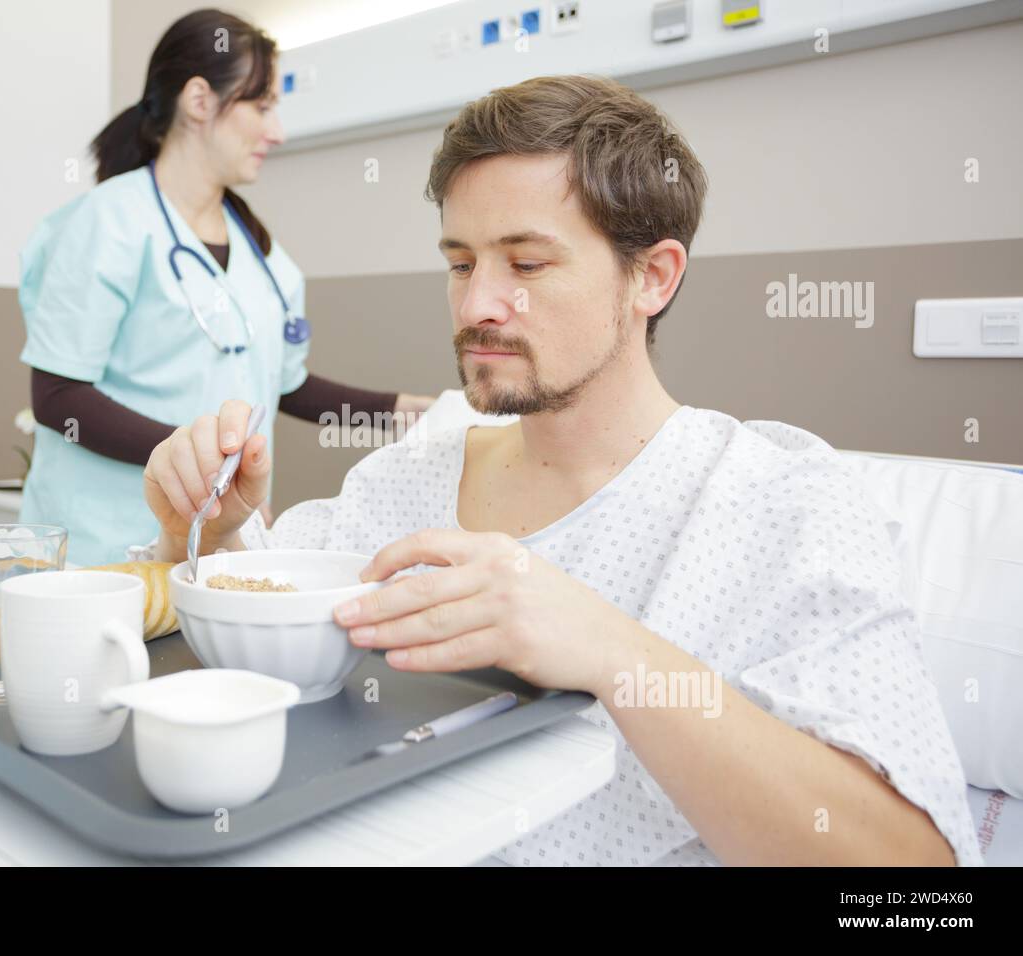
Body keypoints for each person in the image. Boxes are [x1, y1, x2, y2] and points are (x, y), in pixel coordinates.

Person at [135, 74, 981, 866]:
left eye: (526, 265)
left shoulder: (780, 504)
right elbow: (271, 641)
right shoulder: (404, 483)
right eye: (461, 263)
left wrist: (611, 651)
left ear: (652, 276)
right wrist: (209, 522)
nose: (475, 307)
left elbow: (917, 883)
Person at [16, 8, 433, 565]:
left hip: (218, 546)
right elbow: (58, 398)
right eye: (261, 107)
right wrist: (205, 461)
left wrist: (405, 411)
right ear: (199, 101)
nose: (277, 131)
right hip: (102, 547)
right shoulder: (108, 221)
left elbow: (280, 385)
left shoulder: (262, 252)